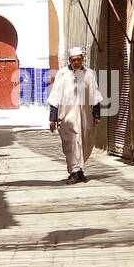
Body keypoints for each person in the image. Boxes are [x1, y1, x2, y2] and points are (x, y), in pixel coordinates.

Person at [48, 47, 104, 183]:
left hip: (85, 118)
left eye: (79, 60)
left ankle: (79, 170)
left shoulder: (89, 74)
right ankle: (73, 172)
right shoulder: (62, 74)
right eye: (74, 60)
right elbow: (55, 97)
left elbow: (94, 96)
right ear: (70, 60)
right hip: (67, 118)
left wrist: (97, 115)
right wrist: (52, 118)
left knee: (84, 144)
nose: (76, 62)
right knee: (71, 144)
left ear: (82, 59)